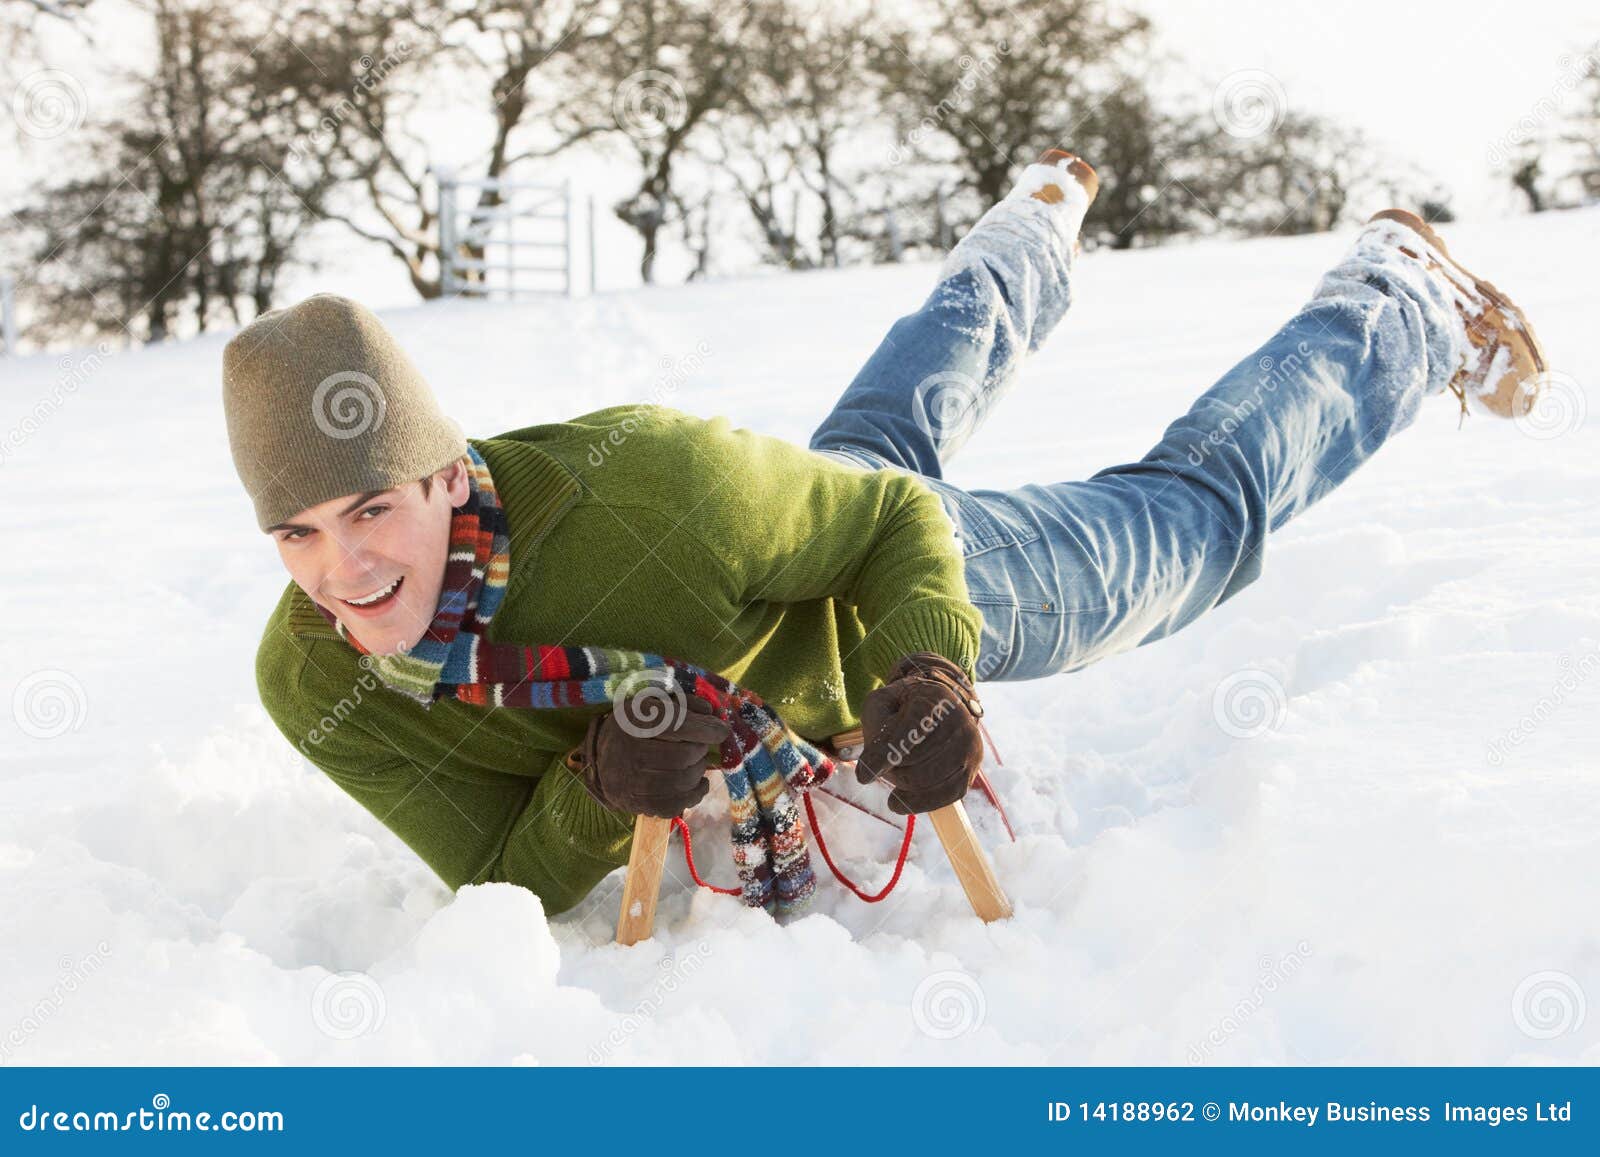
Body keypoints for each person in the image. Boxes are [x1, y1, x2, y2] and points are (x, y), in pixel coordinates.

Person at [226, 149, 1547, 918]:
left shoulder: (659, 487)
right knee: (875, 436)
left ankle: (1399, 303)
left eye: (373, 508)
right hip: (787, 539)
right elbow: (494, 880)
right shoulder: (314, 677)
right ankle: (1028, 230)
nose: (346, 570)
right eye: (296, 532)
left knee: (1182, 528)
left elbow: (892, 526)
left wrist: (929, 668)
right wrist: (593, 788)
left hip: (880, 593)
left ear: (450, 475)